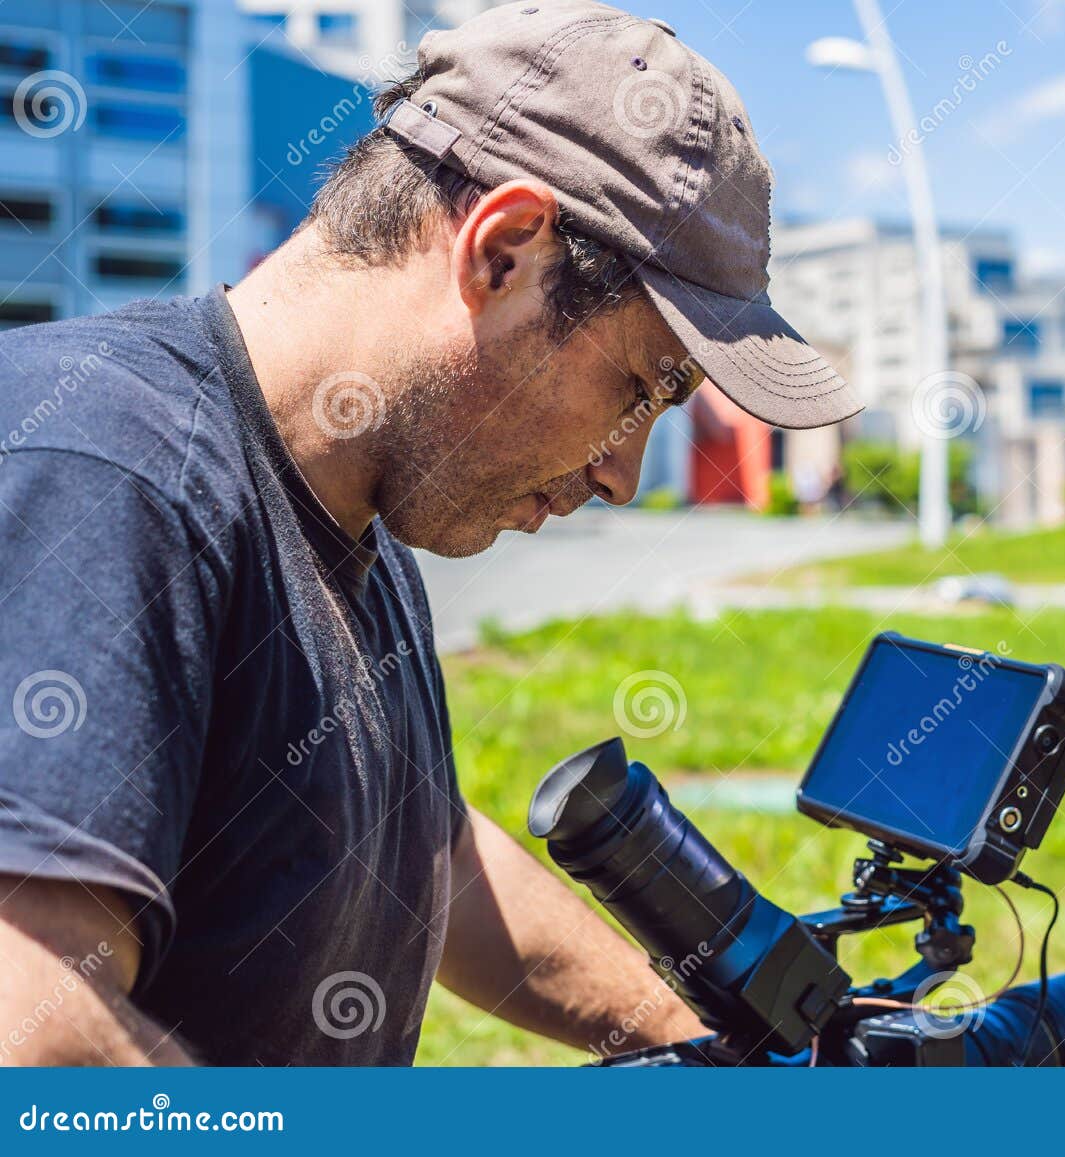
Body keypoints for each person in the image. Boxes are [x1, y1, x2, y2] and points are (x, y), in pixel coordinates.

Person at [0, 0, 859, 1065]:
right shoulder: (103, 471)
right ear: (500, 252)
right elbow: (26, 1026)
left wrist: (717, 1044)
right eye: (637, 389)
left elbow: (429, 856)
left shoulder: (357, 510)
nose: (624, 475)